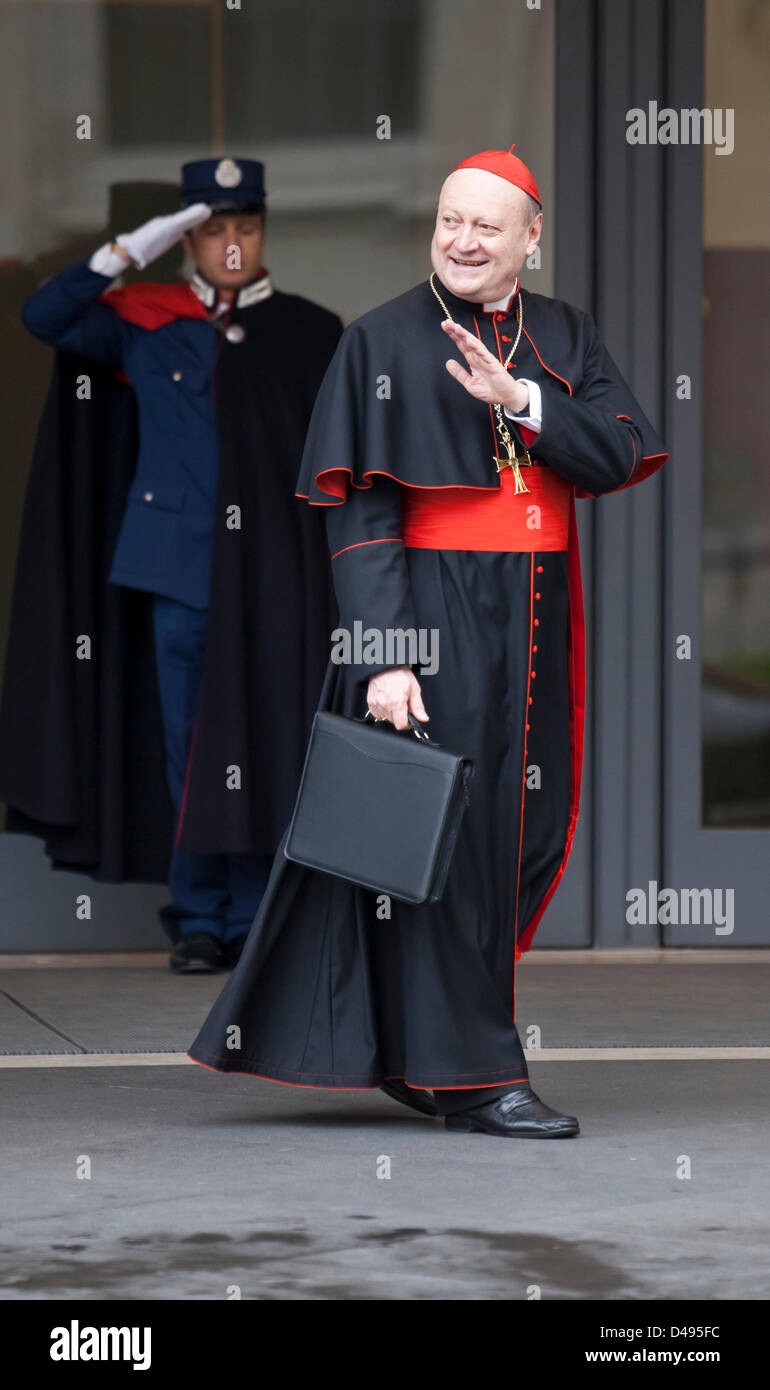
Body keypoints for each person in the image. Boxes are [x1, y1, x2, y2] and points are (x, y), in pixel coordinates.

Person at [187, 145, 668, 1136]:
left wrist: (523, 403)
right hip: (430, 614)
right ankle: (479, 1073)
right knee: (445, 841)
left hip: (536, 605)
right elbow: (357, 512)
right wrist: (384, 653)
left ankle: (423, 1050)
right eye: (449, 219)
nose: (460, 238)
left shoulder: (564, 334)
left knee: (521, 838)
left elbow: (619, 447)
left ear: (528, 240)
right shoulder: (378, 340)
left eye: (485, 225)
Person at [5, 157, 342, 973]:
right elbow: (44, 317)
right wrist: (129, 250)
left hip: (275, 574)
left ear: (265, 231)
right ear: (188, 237)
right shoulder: (144, 319)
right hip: (178, 570)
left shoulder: (310, 329)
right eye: (214, 229)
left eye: (246, 227)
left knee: (269, 733)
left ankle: (262, 915)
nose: (233, 245)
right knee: (189, 743)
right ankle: (198, 919)